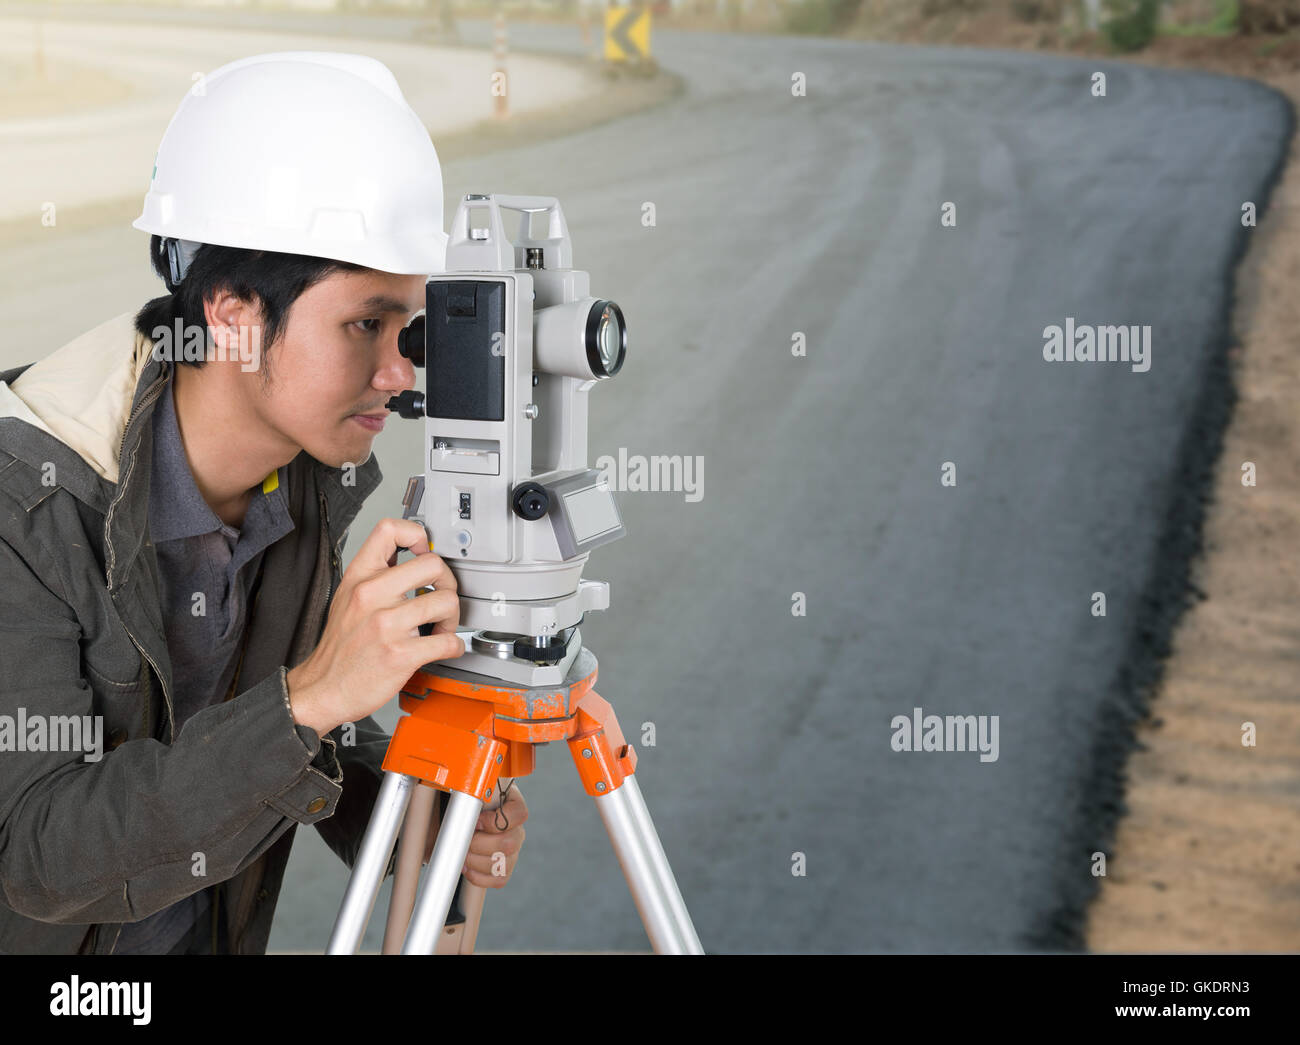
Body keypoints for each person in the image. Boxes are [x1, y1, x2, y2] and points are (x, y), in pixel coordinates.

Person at [0, 51, 526, 955]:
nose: (402, 373)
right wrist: (312, 698)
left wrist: (406, 822)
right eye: (366, 324)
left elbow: (282, 716)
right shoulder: (27, 504)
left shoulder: (302, 476)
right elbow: (38, 856)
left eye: (410, 327)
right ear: (235, 312)